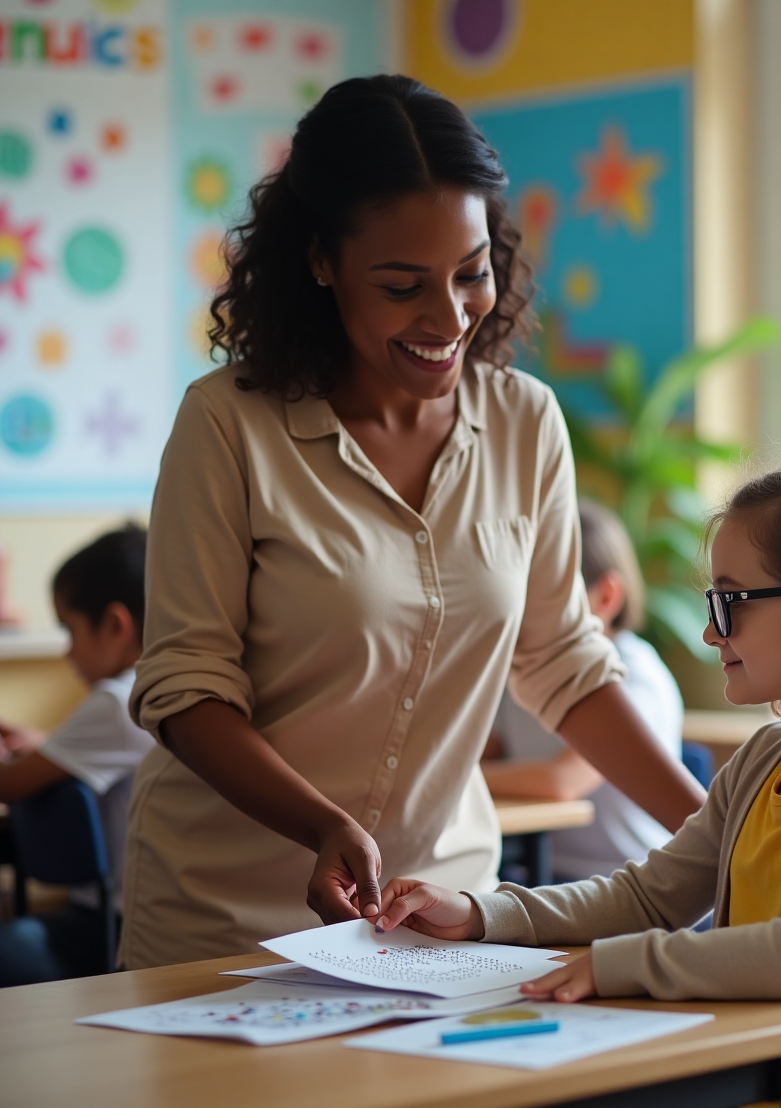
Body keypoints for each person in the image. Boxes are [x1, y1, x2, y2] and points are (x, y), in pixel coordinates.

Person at [122, 75, 704, 970]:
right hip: (225, 918)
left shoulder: (525, 422)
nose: (448, 316)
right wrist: (320, 822)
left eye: (472, 274)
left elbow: (564, 664)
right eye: (401, 286)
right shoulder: (228, 424)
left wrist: (720, 834)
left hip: (438, 916)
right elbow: (185, 688)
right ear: (321, 262)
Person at [373, 458, 781, 1108]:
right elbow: (646, 897)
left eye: (731, 603)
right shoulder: (763, 759)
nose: (709, 632)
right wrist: (480, 913)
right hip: (749, 1094)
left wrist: (621, 965)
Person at [484, 498, 685, 881]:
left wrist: (466, 781)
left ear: (606, 596)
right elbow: (484, 751)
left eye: (549, 597)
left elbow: (560, 782)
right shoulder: (520, 669)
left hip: (640, 882)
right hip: (543, 876)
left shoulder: (634, 673)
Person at [0, 526, 152, 985]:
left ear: (115, 625)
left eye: (69, 629)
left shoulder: (117, 700)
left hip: (113, 932)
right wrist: (45, 743)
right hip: (117, 920)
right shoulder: (152, 694)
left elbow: (8, 783)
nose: (66, 650)